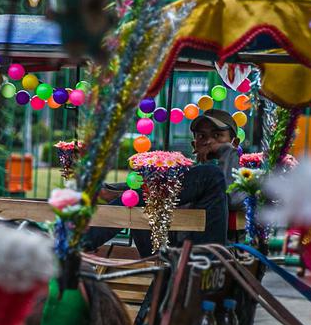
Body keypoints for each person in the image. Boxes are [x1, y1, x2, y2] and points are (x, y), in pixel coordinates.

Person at [84, 109, 243, 256]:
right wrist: (114, 192)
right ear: (194, 144)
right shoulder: (186, 176)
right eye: (201, 136)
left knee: (210, 174)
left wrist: (226, 152)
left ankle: (83, 242)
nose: (208, 141)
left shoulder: (244, 177)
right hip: (164, 251)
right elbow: (152, 190)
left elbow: (234, 198)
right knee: (148, 186)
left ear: (234, 143)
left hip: (206, 255)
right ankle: (83, 243)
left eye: (217, 136)